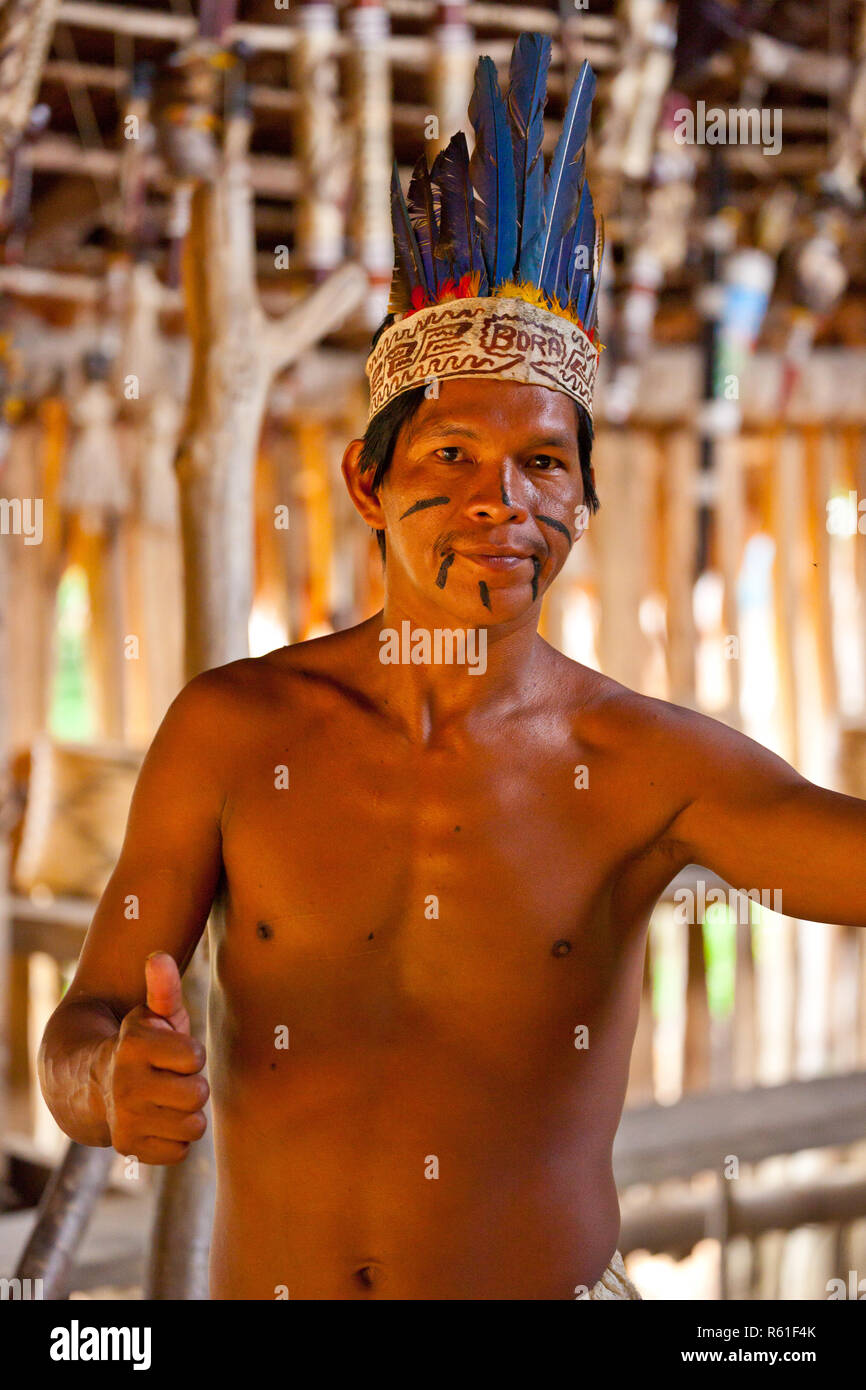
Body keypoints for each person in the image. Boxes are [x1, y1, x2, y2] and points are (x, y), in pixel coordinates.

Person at [38, 35, 866, 1302]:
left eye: (544, 463)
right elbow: (78, 1030)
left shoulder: (642, 765)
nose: (504, 504)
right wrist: (105, 1083)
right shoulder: (232, 730)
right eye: (450, 459)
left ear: (585, 495)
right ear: (368, 481)